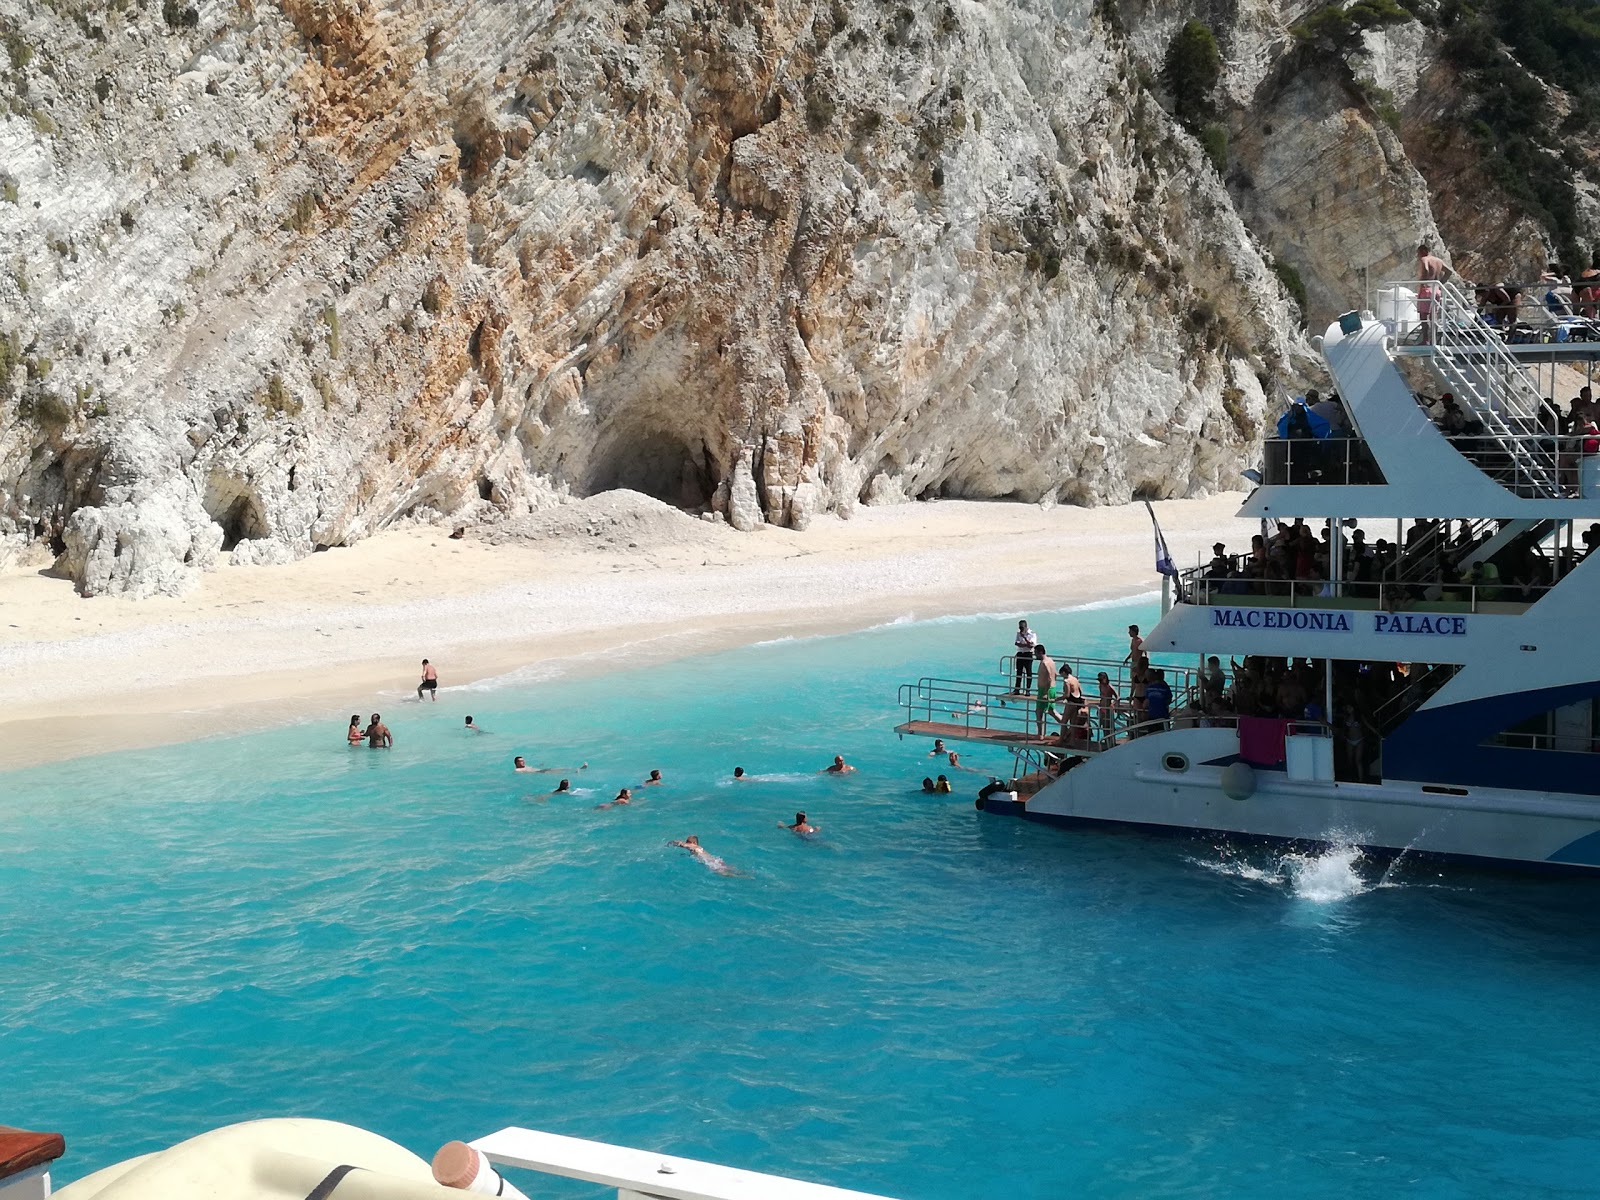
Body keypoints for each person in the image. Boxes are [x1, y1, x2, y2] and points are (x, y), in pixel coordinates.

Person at [669, 835, 734, 874]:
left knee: (726, 874)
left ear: (694, 842)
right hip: (716, 860)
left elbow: (681, 843)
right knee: (732, 870)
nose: (687, 844)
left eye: (688, 842)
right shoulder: (700, 849)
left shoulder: (694, 846)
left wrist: (670, 843)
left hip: (712, 863)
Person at [1033, 644, 1058, 737]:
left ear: (1040, 652)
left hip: (1044, 690)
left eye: (1035, 653)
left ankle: (1040, 734)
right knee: (1051, 711)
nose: (1035, 655)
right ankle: (1066, 728)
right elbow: (1055, 675)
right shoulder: (1051, 660)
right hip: (1052, 688)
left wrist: (1045, 692)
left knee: (1039, 712)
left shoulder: (1044, 663)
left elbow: (1049, 677)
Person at [1012, 620, 1037, 693]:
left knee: (1028, 672)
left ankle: (1028, 689)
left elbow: (1031, 645)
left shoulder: (1032, 634)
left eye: (1022, 627)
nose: (1020, 629)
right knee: (1019, 672)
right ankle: (1017, 689)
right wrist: (1025, 644)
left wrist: (1024, 638)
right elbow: (1016, 643)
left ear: (1025, 626)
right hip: (1020, 653)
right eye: (1019, 627)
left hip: (1028, 654)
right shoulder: (1018, 633)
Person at [1095, 671, 1119, 739]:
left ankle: (1111, 741)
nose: (1100, 682)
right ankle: (1106, 741)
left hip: (1108, 708)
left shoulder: (1110, 686)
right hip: (1102, 707)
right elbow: (1101, 697)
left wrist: (1113, 704)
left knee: (1109, 726)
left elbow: (1117, 697)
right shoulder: (1100, 686)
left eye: (1101, 680)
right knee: (1103, 726)